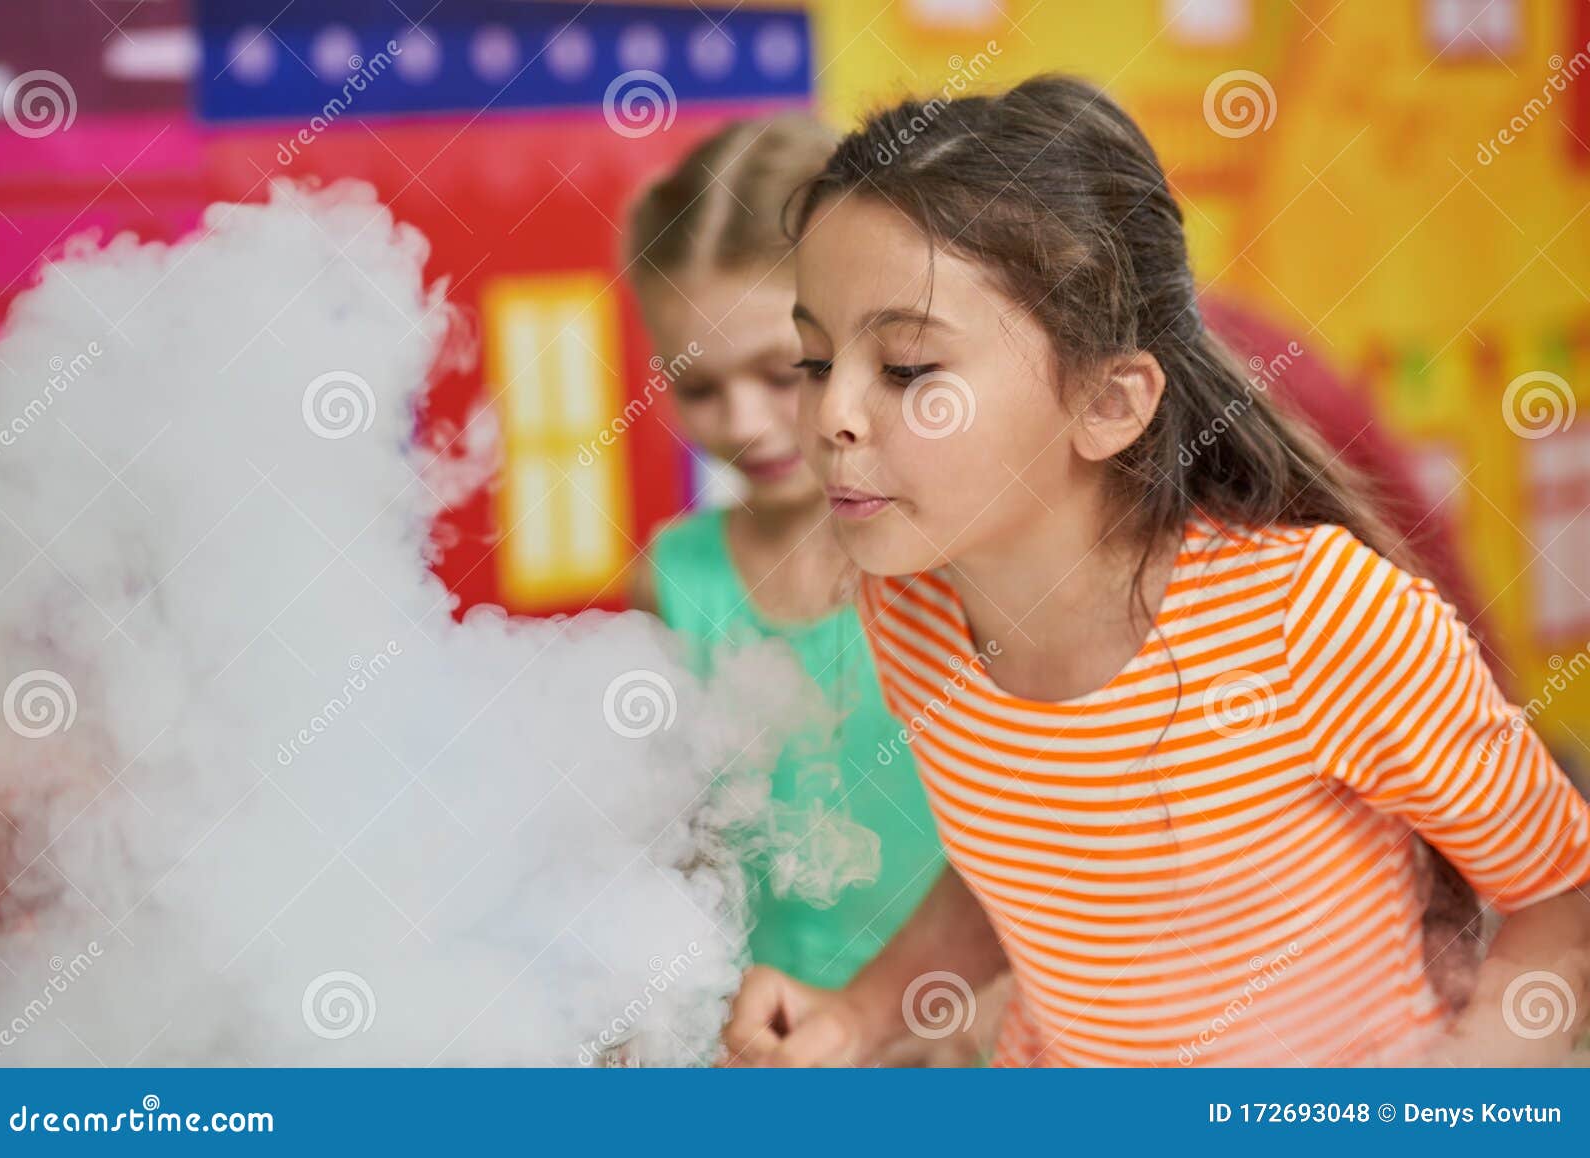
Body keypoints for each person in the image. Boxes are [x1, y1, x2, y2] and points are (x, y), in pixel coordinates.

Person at [723, 75, 1590, 1067]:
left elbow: (1558, 887)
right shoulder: (911, 604)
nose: (831, 414)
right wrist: (859, 1014)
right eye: (814, 361)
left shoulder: (1315, 616)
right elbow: (1028, 857)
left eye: (908, 369)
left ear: (1107, 403)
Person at [624, 117, 975, 1053]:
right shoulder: (676, 579)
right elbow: (677, 862)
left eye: (782, 372)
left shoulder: (958, 558)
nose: (744, 421)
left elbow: (1047, 830)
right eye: (698, 387)